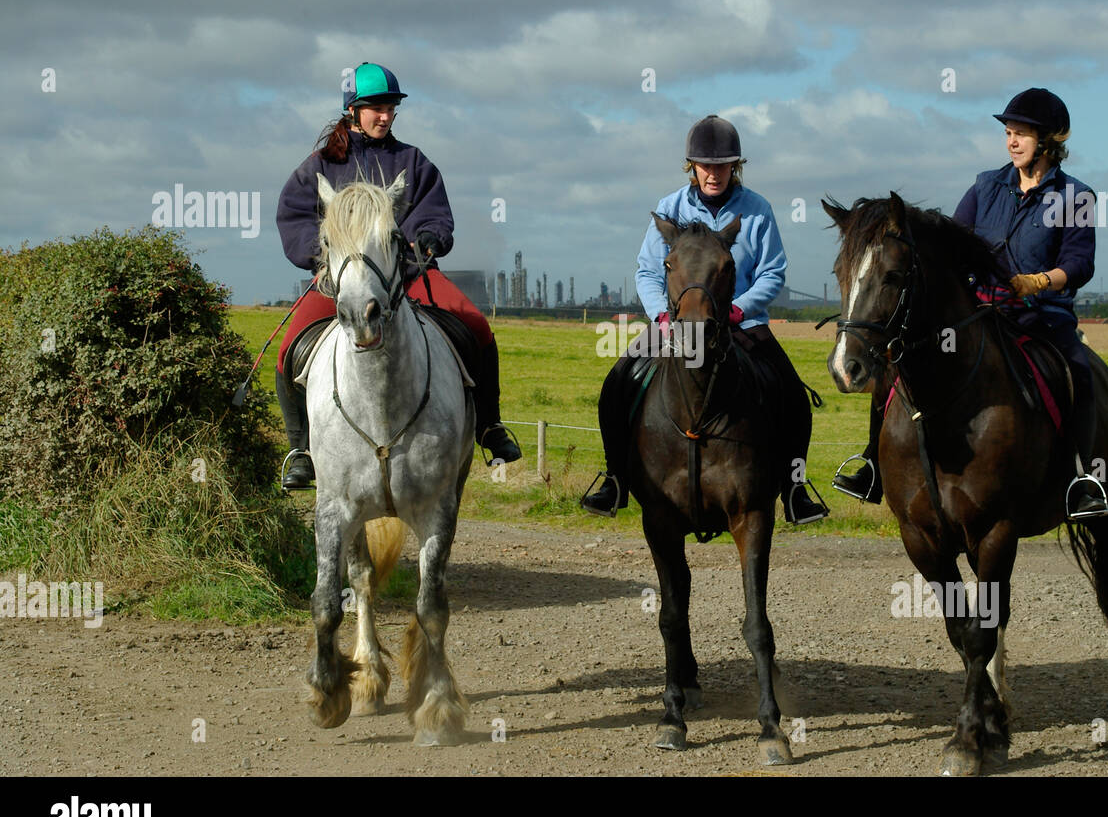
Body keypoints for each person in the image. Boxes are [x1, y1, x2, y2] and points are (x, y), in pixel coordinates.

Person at [833, 87, 1108, 519]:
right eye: (1009, 133)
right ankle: (871, 462)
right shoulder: (986, 185)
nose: (1012, 142)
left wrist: (1036, 281)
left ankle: (1082, 479)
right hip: (981, 311)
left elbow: (1080, 263)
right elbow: (953, 241)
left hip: (1041, 316)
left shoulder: (1076, 197)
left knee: (1079, 371)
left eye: (1021, 134)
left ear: (1049, 141)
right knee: (898, 364)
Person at [274, 62, 521, 488]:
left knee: (478, 327)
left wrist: (428, 238)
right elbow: (294, 218)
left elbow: (436, 214)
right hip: (342, 281)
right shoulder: (318, 167)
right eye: (375, 108)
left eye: (390, 107)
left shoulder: (413, 161)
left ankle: (490, 428)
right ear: (352, 110)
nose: (385, 115)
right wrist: (324, 258)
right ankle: (301, 450)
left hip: (408, 275)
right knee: (287, 349)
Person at [580, 114, 829, 524]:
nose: (714, 173)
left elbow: (773, 272)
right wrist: (662, 315)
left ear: (736, 166)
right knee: (618, 380)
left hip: (740, 324)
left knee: (793, 395)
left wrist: (738, 309)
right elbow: (647, 270)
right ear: (692, 167)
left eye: (723, 165)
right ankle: (615, 479)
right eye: (706, 165)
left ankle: (794, 488)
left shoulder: (758, 210)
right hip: (675, 323)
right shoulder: (668, 208)